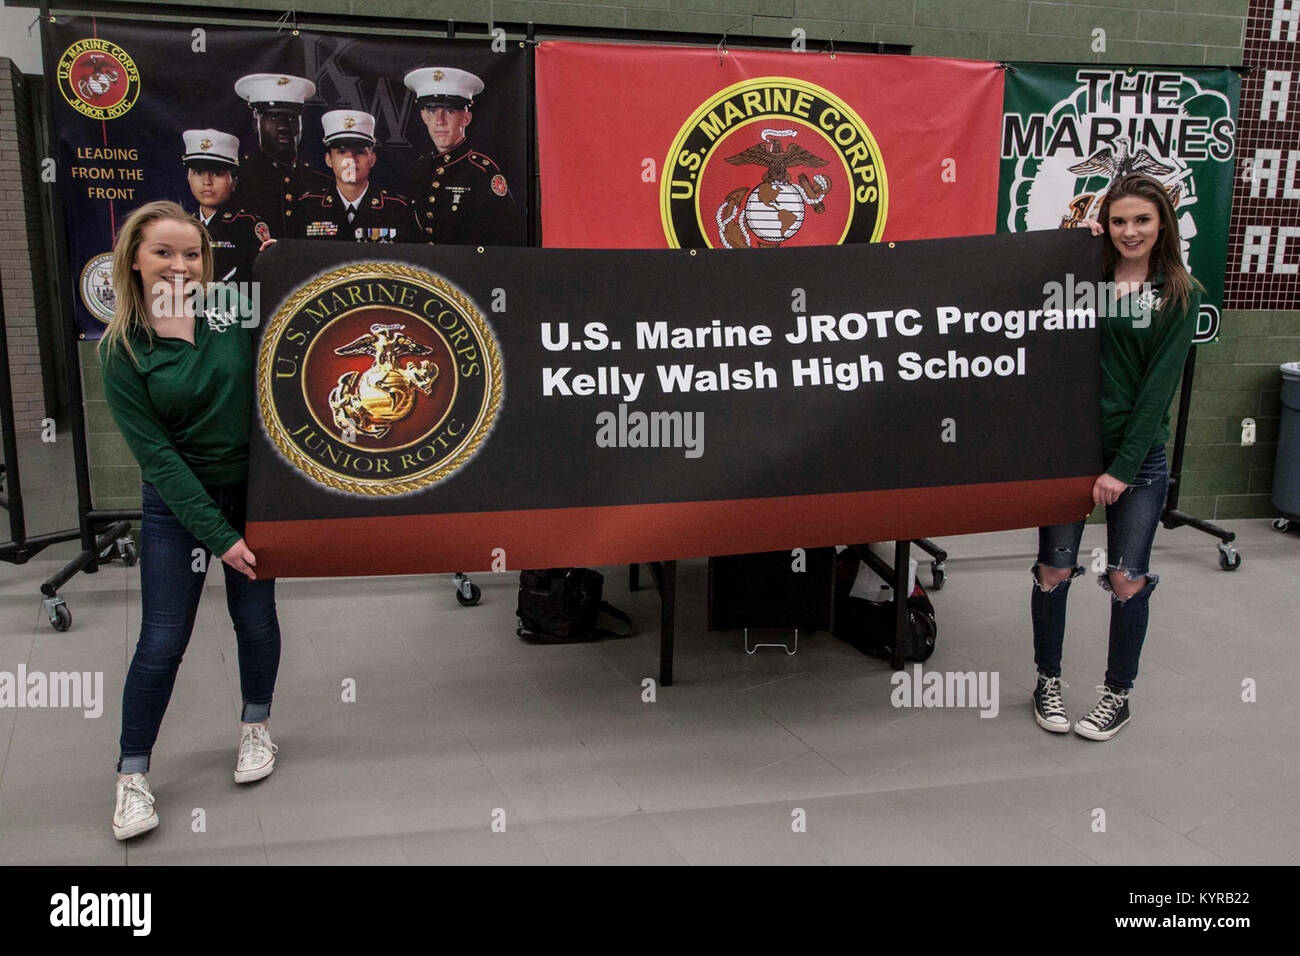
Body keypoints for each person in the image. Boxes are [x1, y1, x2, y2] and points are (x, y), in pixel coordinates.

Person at [100, 201, 282, 840]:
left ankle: (256, 729)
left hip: (254, 499)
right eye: (163, 253)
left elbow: (286, 376)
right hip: (179, 509)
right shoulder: (121, 351)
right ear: (134, 261)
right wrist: (221, 537)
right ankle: (131, 776)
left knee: (255, 619)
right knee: (162, 640)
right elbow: (159, 462)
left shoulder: (233, 314)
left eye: (192, 254)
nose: (180, 266)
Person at [1031, 173, 1201, 741]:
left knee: (1128, 577)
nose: (1130, 231)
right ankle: (1047, 682)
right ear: (1106, 223)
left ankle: (1116, 694)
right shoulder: (1085, 280)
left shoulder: (1178, 293)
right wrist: (1066, 247)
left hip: (1138, 458)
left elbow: (1157, 393)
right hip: (1068, 450)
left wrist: (1121, 469)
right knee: (1054, 570)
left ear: (1162, 225)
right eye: (1120, 220)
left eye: (1143, 220)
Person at [403, 66, 525, 245]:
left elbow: (506, 237)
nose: (440, 121)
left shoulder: (482, 172)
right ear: (423, 117)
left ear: (466, 118)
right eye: (432, 111)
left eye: (450, 111)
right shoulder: (419, 169)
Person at [295, 109, 417, 243]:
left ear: (372, 159)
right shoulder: (308, 206)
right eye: (341, 151)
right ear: (328, 160)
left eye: (359, 152)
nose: (351, 159)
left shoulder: (397, 209)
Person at [233, 73, 332, 236]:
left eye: (291, 118)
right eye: (272, 117)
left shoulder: (322, 183)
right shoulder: (237, 178)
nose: (283, 127)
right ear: (255, 124)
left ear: (302, 125)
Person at [182, 128, 271, 282]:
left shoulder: (248, 225)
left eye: (217, 174)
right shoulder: (183, 224)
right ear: (189, 177)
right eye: (198, 172)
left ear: (234, 181)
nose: (207, 182)